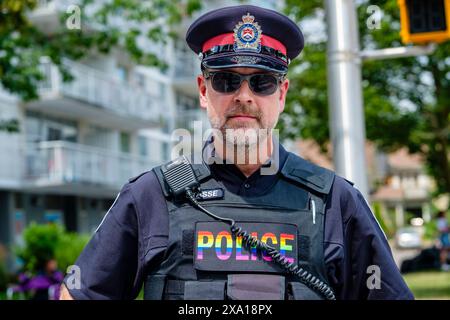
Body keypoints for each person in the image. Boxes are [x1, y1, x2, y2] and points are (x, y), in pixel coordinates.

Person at [60, 4, 414, 300]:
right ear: (202, 89)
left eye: (262, 82)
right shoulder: (150, 196)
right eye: (226, 80)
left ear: (282, 93)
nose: (244, 95)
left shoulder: (336, 201)